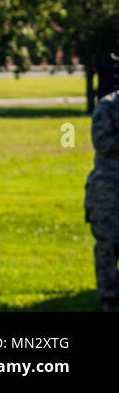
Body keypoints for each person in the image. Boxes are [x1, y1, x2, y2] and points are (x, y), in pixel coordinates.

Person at [86, 89, 119, 311]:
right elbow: (101, 141)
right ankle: (110, 302)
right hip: (109, 192)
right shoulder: (108, 105)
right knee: (108, 247)